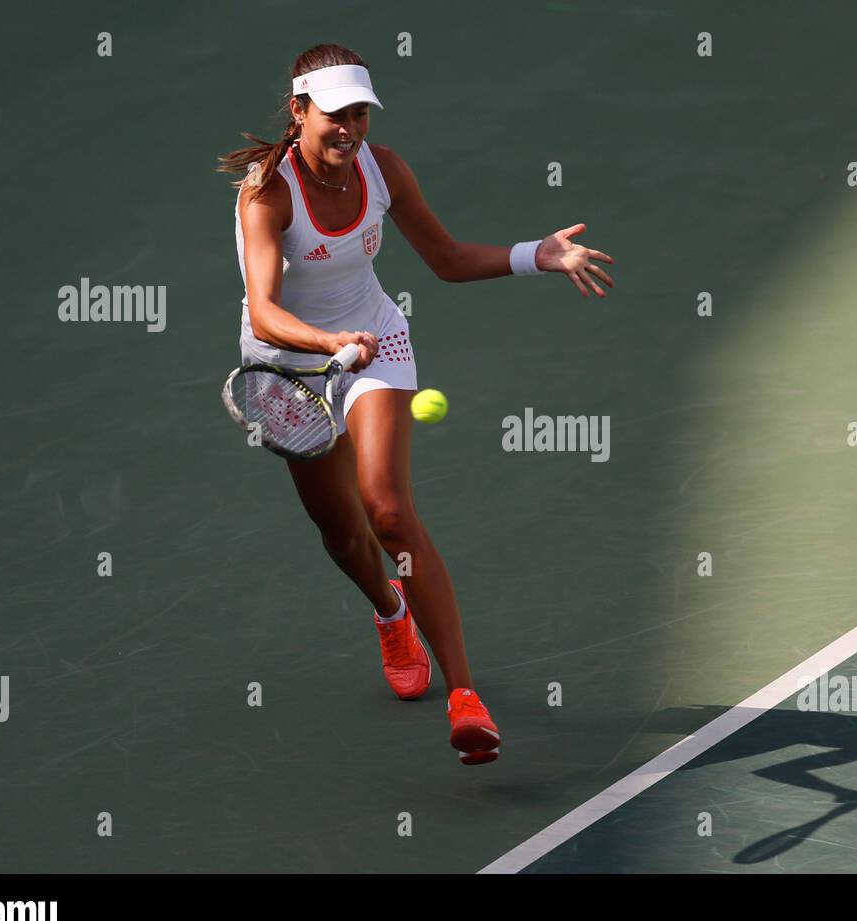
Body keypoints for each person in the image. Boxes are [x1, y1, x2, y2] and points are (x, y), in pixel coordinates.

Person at [218, 43, 615, 765]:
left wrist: (538, 255)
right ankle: (390, 612)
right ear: (299, 111)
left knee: (388, 509)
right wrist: (325, 340)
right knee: (342, 536)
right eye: (335, 115)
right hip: (288, 364)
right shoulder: (266, 194)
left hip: (374, 341)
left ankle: (467, 699)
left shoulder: (383, 169)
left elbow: (447, 258)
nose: (350, 129)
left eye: (360, 113)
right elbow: (266, 310)